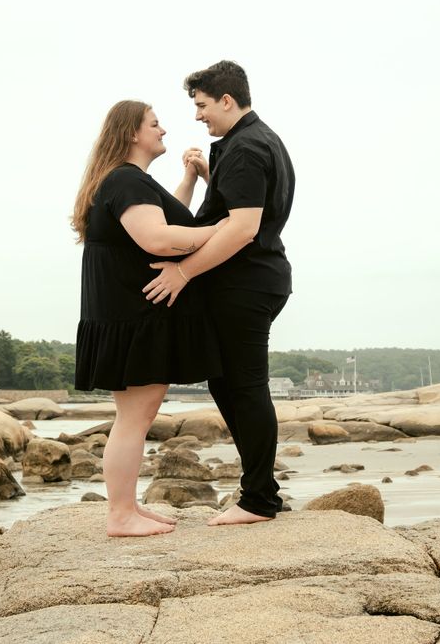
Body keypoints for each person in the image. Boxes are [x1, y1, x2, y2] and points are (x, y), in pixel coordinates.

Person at [144, 61, 295, 526]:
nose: (197, 116)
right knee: (227, 383)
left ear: (226, 100)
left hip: (246, 283)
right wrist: (211, 175)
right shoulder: (254, 141)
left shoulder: (247, 147)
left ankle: (259, 501)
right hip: (253, 280)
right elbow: (242, 208)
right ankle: (259, 492)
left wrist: (184, 273)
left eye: (202, 105)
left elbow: (244, 228)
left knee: (245, 388)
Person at [72, 100, 223, 537]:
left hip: (124, 313)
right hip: (132, 314)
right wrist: (225, 231)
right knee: (134, 418)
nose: (164, 131)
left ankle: (127, 508)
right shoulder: (125, 179)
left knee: (133, 415)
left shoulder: (126, 181)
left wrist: (189, 180)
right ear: (132, 133)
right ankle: (120, 515)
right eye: (155, 124)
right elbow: (158, 238)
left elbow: (161, 218)